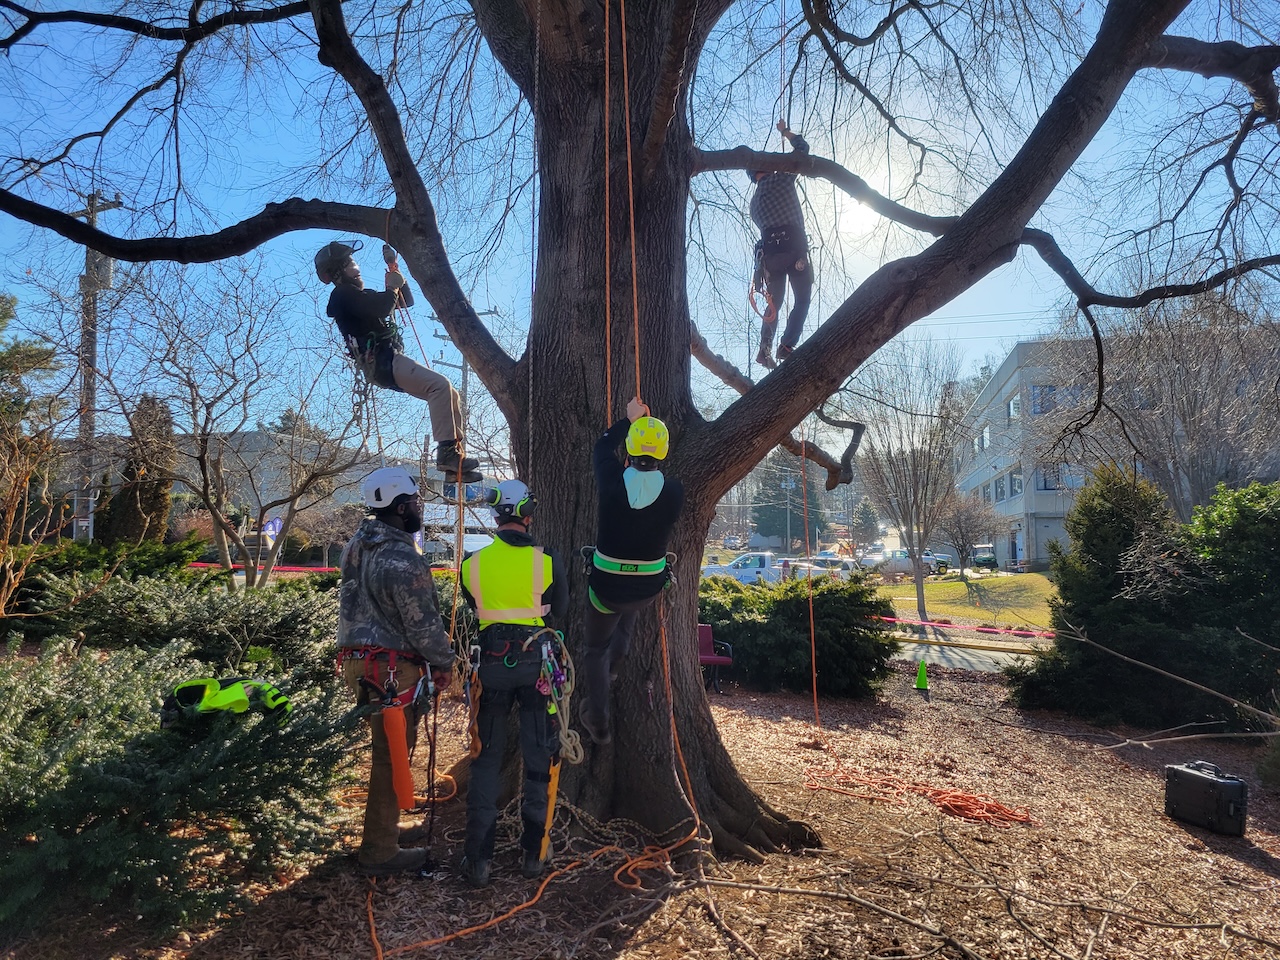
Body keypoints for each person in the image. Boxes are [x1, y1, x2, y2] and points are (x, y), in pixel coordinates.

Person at [336, 466, 456, 876]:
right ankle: (379, 851)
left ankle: (384, 830)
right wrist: (443, 662)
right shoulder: (403, 556)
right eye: (416, 502)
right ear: (401, 507)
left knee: (388, 754)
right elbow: (422, 624)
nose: (419, 507)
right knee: (390, 758)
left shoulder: (356, 545)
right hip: (390, 669)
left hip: (360, 663)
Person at [457, 479, 569, 888]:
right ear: (528, 513)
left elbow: (474, 605)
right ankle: (534, 854)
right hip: (537, 661)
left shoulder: (472, 563)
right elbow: (561, 609)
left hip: (489, 663)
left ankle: (478, 860)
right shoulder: (547, 560)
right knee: (539, 755)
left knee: (486, 757)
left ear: (495, 514)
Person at [315, 240, 481, 483]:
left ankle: (452, 465)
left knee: (450, 394)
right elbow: (383, 307)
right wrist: (392, 288)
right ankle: (447, 455)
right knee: (439, 386)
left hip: (388, 360)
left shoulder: (360, 297)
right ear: (339, 271)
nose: (357, 268)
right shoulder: (342, 295)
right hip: (382, 361)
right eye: (350, 264)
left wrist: (396, 274)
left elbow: (405, 301)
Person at [579, 398, 684, 746]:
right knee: (628, 615)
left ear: (628, 449)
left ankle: (598, 719)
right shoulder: (674, 492)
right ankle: (615, 666)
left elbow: (602, 447)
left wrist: (628, 420)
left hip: (608, 586)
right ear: (663, 452)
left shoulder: (611, 479)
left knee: (595, 648)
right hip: (646, 588)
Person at [749, 119, 812, 370]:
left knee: (774, 305)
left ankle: (764, 348)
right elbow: (802, 150)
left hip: (771, 258)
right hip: (794, 251)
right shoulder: (782, 180)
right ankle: (786, 345)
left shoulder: (754, 204)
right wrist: (785, 131)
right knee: (802, 299)